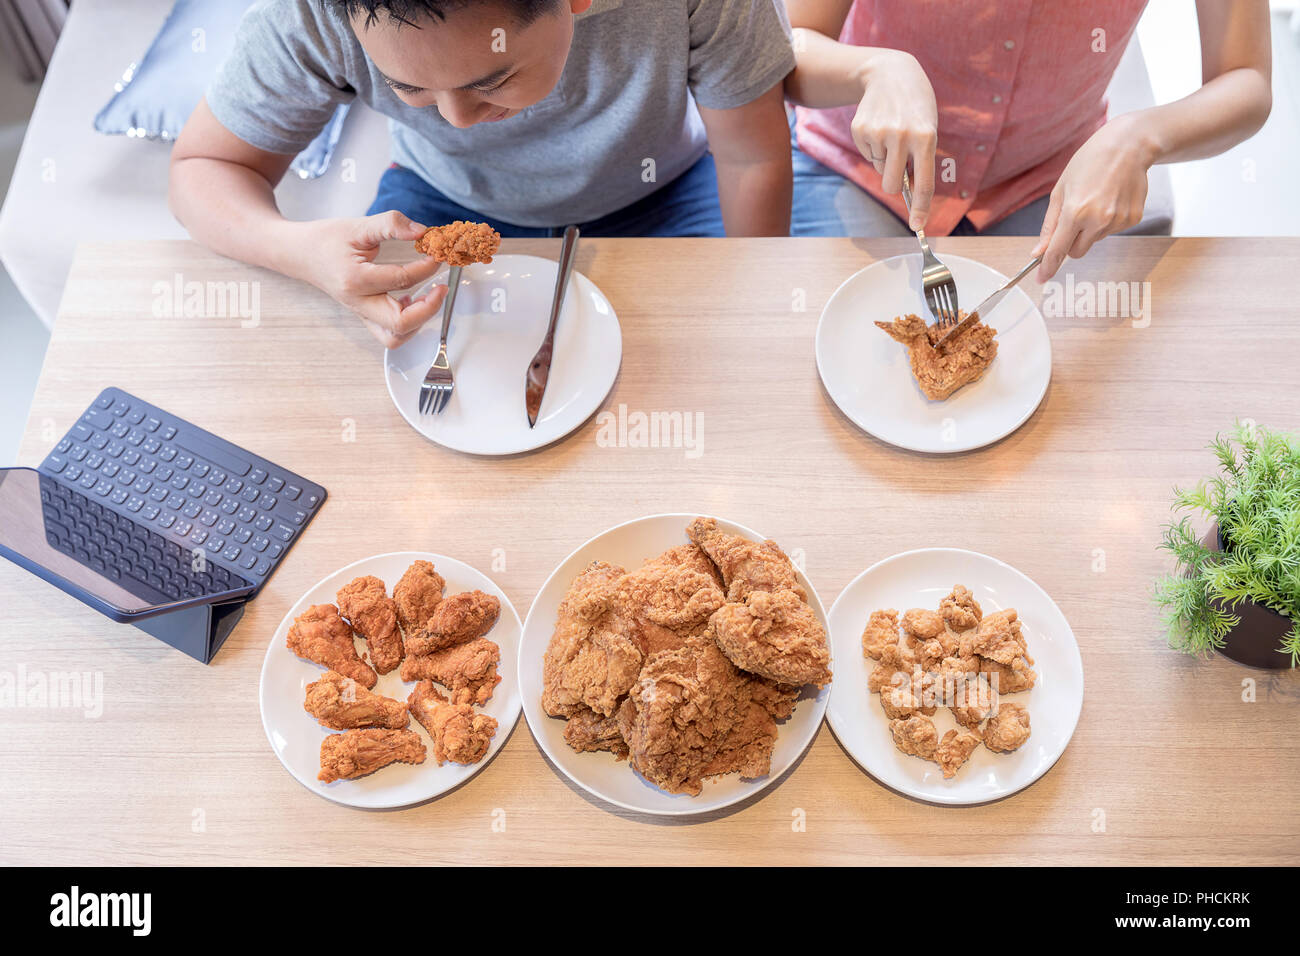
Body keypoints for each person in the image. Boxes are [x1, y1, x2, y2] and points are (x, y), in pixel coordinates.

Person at [169, 0, 795, 347]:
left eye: (492, 81)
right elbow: (205, 167)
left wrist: (753, 300)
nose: (459, 120)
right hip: (441, 202)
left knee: (712, 360)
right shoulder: (311, 16)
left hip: (666, 191)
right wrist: (301, 249)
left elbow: (751, 157)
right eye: (409, 87)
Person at [783, 0, 1273, 280]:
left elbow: (1246, 78)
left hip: (1046, 179)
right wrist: (874, 69)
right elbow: (792, 46)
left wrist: (1141, 137)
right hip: (860, 166)